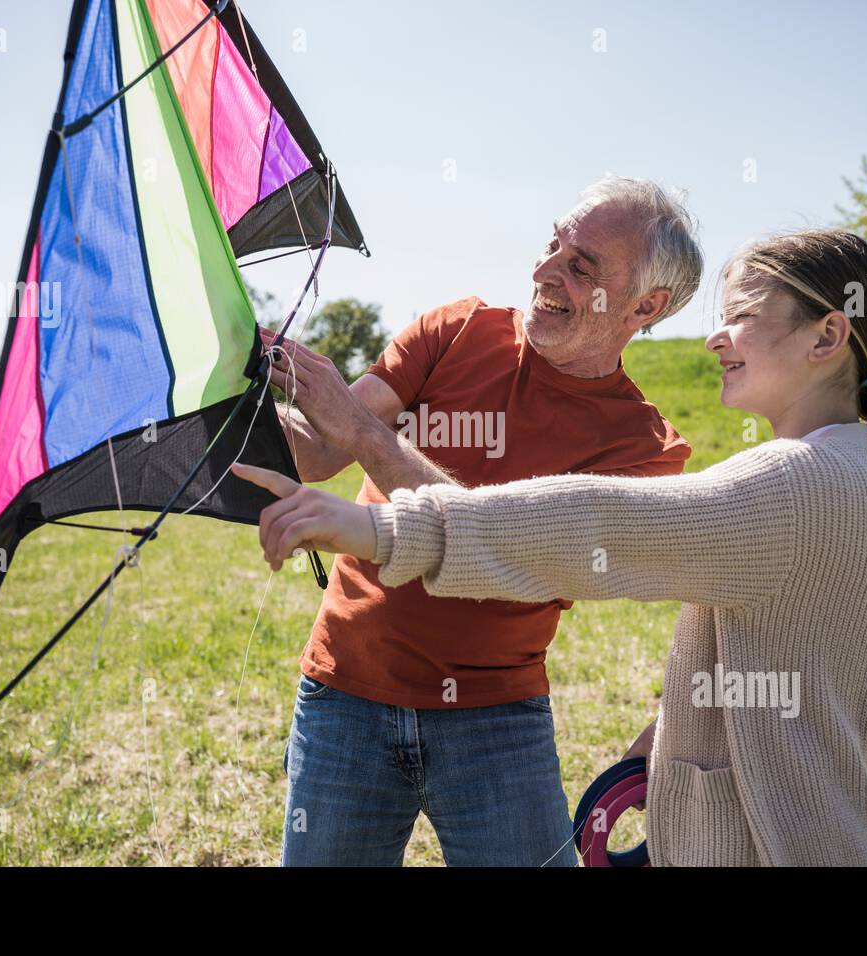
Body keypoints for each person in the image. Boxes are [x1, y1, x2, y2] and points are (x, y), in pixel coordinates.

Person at [236, 229, 867, 866]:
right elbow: (792, 654)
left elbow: (589, 527)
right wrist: (669, 737)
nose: (716, 337)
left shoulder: (793, 481)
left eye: (742, 314)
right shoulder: (848, 470)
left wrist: (372, 529)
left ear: (829, 335)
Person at [262, 177, 703, 865]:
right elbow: (319, 450)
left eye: (580, 265)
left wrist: (360, 431)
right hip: (343, 691)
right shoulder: (456, 330)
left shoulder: (644, 451)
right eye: (552, 243)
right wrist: (233, 377)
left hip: (495, 723)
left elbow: (504, 552)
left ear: (647, 306)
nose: (543, 270)